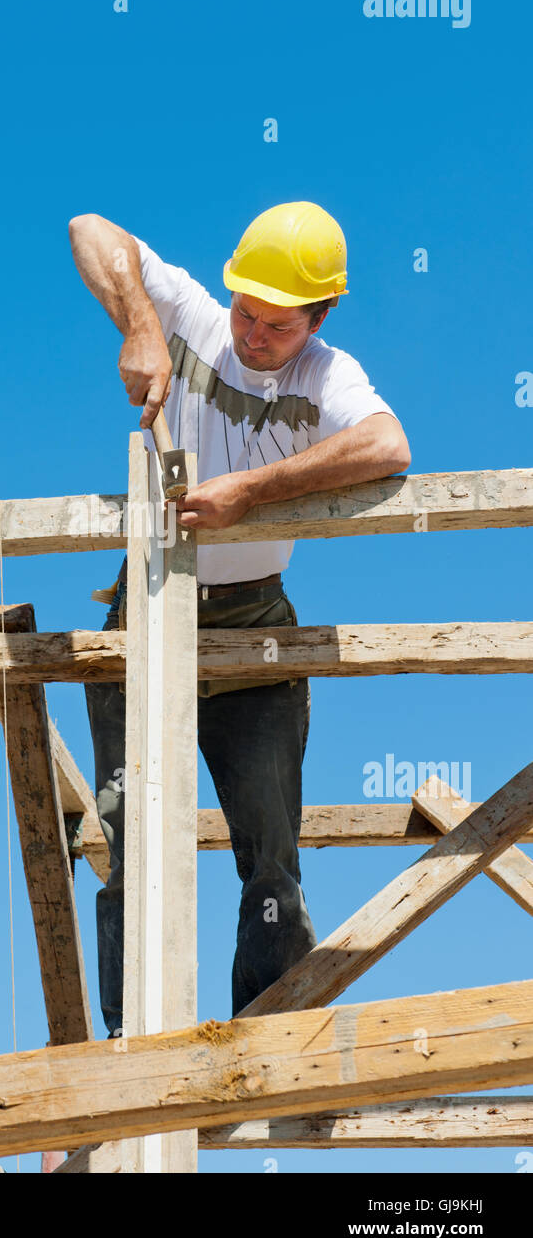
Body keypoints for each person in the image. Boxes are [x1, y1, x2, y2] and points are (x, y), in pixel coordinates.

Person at [68, 201, 411, 1035]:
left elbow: (389, 446)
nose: (254, 337)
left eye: (278, 327)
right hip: (145, 606)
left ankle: (261, 1042)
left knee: (271, 863)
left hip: (254, 618)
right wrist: (142, 326)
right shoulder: (193, 318)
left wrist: (249, 493)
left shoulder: (329, 377)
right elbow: (88, 228)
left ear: (319, 317)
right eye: (247, 315)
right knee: (130, 842)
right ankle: (128, 1044)